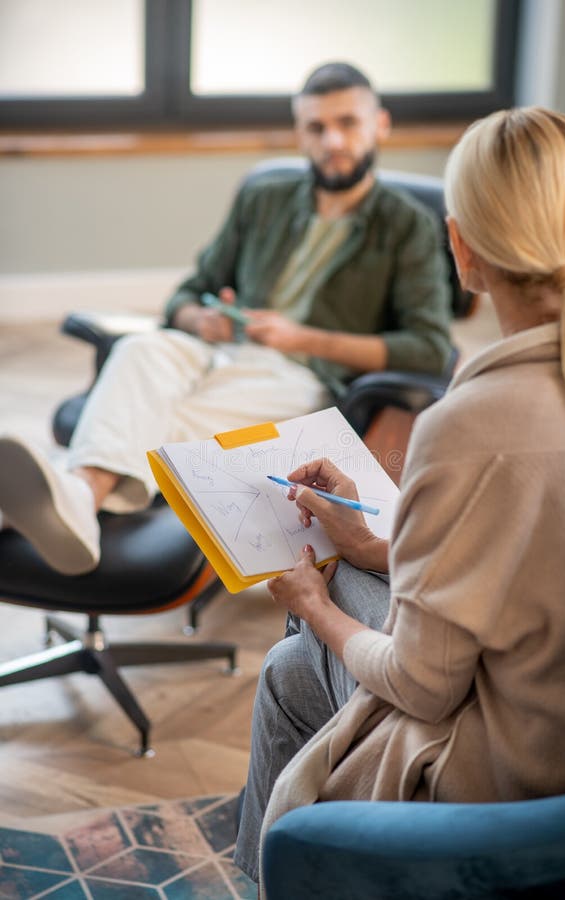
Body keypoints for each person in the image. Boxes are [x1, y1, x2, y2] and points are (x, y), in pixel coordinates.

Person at [233, 106, 565, 886]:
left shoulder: (468, 424)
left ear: (461, 248)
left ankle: (288, 872)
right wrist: (376, 545)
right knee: (298, 659)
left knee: (301, 643)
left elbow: (422, 686)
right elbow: (523, 562)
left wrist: (316, 605)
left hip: (507, 773)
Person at [0, 61, 453, 576]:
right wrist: (200, 319)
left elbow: (429, 348)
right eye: (316, 127)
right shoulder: (264, 198)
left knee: (156, 420)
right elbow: (186, 294)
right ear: (299, 132)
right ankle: (74, 500)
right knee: (140, 350)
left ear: (380, 125)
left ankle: (72, 495)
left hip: (299, 376)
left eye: (347, 123)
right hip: (217, 348)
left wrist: (302, 338)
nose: (332, 141)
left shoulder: (408, 226)